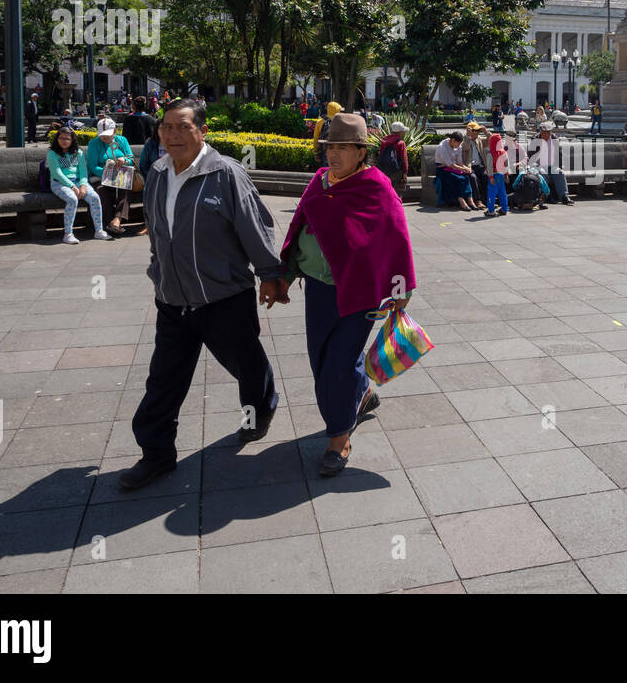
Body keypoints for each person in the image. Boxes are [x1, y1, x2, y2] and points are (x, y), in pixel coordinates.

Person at [119, 99, 290, 491]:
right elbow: (158, 232)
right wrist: (158, 272)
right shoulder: (158, 173)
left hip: (224, 298)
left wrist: (269, 274)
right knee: (163, 382)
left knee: (247, 365)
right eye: (166, 128)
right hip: (173, 302)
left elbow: (255, 226)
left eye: (182, 127)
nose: (172, 135)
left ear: (202, 131)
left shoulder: (225, 174)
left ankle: (259, 410)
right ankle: (156, 455)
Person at [278, 113, 416, 477]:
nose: (333, 155)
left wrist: (402, 289)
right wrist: (284, 276)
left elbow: (396, 237)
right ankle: (364, 393)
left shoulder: (376, 186)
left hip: (361, 292)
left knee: (336, 366)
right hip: (320, 290)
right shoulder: (319, 182)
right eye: (329, 147)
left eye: (342, 148)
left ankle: (339, 439)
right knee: (321, 361)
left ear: (360, 151)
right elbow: (300, 229)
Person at [47, 126, 110, 245]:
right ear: (57, 139)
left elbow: (83, 172)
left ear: (72, 140)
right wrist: (73, 187)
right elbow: (57, 173)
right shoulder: (52, 153)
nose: (64, 141)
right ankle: (68, 234)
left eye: (67, 138)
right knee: (72, 199)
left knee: (95, 198)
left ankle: (99, 230)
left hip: (78, 182)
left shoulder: (79, 152)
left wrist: (82, 185)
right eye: (61, 138)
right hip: (58, 183)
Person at [86, 117, 135, 236]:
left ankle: (117, 220)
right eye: (102, 135)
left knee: (126, 188)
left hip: (121, 176)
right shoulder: (93, 144)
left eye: (108, 135)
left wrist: (124, 160)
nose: (105, 138)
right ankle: (110, 223)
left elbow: (131, 159)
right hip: (101, 178)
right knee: (101, 191)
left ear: (114, 131)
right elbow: (92, 166)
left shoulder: (122, 140)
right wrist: (107, 173)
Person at [528, 120, 574, 204]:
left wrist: (559, 166)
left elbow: (559, 154)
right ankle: (547, 197)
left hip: (552, 165)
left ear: (550, 132)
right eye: (543, 132)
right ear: (540, 132)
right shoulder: (534, 140)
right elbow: (530, 156)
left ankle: (564, 197)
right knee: (542, 174)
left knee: (559, 173)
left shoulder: (554, 139)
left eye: (547, 133)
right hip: (539, 166)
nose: (545, 135)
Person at [433, 132, 478, 210]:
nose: (458, 145)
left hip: (454, 168)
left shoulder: (458, 146)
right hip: (442, 169)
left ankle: (470, 200)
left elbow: (459, 162)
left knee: (465, 177)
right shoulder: (442, 147)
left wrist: (466, 168)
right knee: (456, 179)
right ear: (453, 140)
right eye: (458, 143)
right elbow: (449, 164)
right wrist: (462, 169)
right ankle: (461, 201)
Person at [376, 121, 409, 199]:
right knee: (397, 193)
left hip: (385, 170)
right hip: (397, 171)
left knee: (386, 191)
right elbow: (404, 158)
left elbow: (381, 154)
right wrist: (405, 172)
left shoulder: (384, 141)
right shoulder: (401, 143)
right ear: (400, 132)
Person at [461, 121, 491, 204]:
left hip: (479, 166)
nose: (477, 135)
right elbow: (466, 147)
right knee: (473, 178)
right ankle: (477, 201)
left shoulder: (479, 140)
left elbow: (491, 140)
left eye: (478, 132)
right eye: (475, 132)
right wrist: (468, 136)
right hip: (468, 166)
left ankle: (487, 200)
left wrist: (486, 131)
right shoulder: (463, 139)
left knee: (486, 176)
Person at [485, 125, 510, 215]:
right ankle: (504, 209)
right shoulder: (504, 152)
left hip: (494, 175)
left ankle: (491, 210)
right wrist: (506, 175)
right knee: (502, 192)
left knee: (492, 193)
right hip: (502, 174)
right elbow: (506, 165)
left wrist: (491, 177)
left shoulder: (490, 153)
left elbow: (489, 166)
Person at [312, 102, 344, 169]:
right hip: (339, 152)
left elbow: (315, 138)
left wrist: (315, 152)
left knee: (325, 173)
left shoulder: (320, 122)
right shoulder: (341, 122)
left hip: (324, 152)